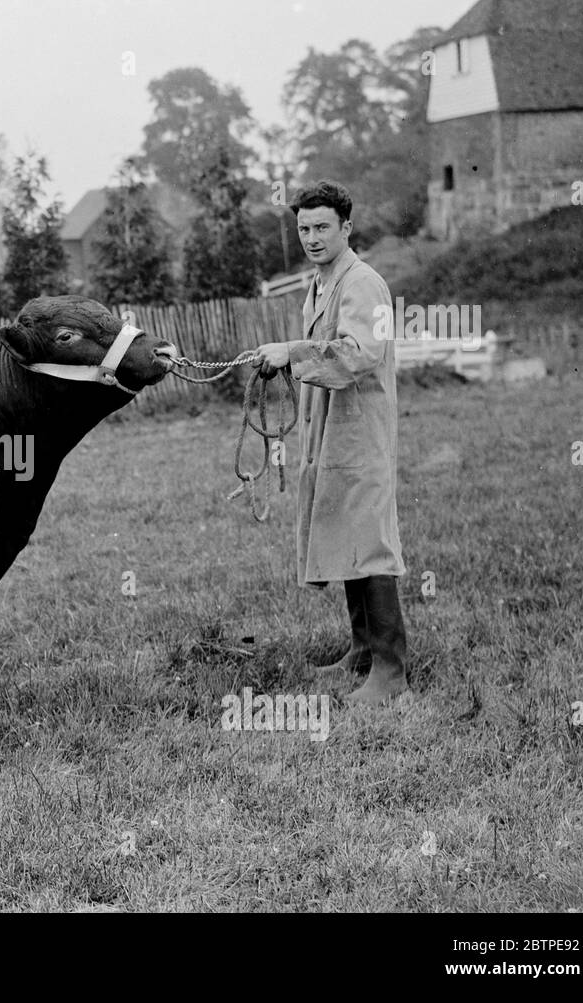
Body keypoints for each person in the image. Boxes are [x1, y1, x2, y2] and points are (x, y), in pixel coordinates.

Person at [251, 180, 408, 705]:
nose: (312, 238)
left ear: (346, 226)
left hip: (360, 432)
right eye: (304, 229)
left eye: (322, 227)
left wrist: (291, 353)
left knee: (371, 542)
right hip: (328, 428)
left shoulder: (363, 283)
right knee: (345, 531)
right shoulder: (320, 283)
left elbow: (360, 352)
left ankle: (390, 671)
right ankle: (362, 650)